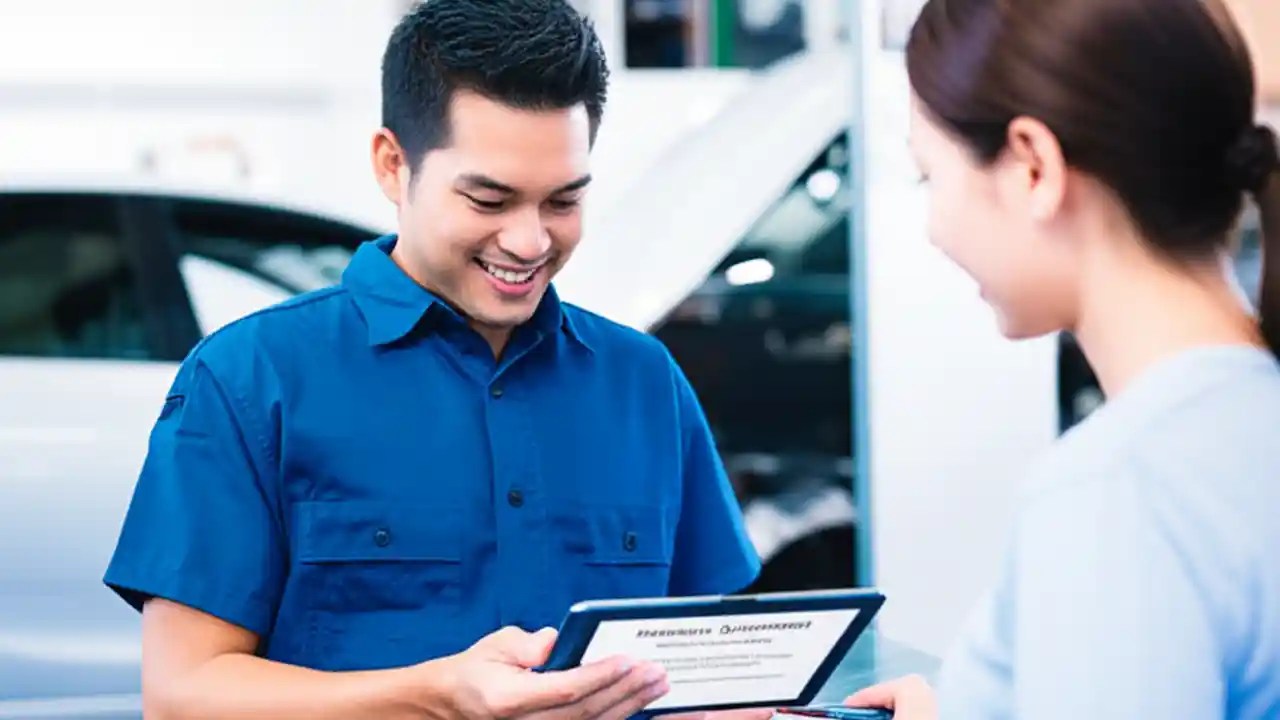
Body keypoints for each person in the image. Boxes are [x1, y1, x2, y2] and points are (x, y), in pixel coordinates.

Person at [102, 1, 762, 717]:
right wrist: (435, 697)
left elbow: (712, 678)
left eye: (562, 202)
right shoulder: (249, 379)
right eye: (489, 200)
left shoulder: (644, 383)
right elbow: (182, 696)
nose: (530, 242)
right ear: (394, 165)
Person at [843, 0, 1280, 717]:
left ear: (1032, 166)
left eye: (930, 178)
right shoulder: (1247, 423)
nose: (934, 228)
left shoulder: (1120, 487)